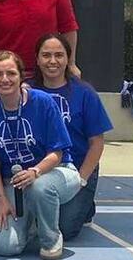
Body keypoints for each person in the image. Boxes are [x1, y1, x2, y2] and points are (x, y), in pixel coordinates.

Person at [0, 50, 79, 259]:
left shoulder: (42, 102)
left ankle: (50, 239)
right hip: (15, 184)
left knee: (39, 187)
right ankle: (30, 222)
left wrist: (35, 171)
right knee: (4, 247)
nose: (5, 79)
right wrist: (1, 198)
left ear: (21, 76)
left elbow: (57, 153)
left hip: (55, 173)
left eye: (11, 73)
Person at [31, 34, 111, 240]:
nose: (52, 61)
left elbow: (96, 143)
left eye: (59, 55)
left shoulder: (85, 93)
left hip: (76, 167)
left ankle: (85, 203)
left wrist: (81, 180)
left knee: (63, 229)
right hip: (40, 169)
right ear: (37, 59)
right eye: (46, 55)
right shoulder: (26, 91)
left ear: (68, 59)